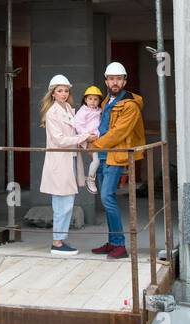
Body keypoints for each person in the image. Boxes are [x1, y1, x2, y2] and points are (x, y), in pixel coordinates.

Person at [88, 62, 144, 260]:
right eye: (111, 78)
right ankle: (112, 242)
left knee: (107, 197)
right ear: (106, 81)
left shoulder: (130, 105)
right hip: (102, 156)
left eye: (118, 78)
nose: (114, 82)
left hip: (115, 155)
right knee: (106, 199)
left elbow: (119, 132)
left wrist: (95, 145)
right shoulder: (106, 102)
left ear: (125, 81)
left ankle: (119, 244)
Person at [38, 74, 95, 257]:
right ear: (53, 93)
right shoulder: (52, 113)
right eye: (60, 91)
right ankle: (57, 242)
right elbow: (60, 140)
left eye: (66, 90)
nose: (64, 94)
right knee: (62, 203)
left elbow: (77, 132)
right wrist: (84, 137)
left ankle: (60, 239)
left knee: (67, 202)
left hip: (70, 159)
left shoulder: (70, 110)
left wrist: (86, 138)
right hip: (59, 161)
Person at [74, 85, 105, 193]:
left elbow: (100, 124)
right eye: (90, 99)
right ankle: (90, 179)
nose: (92, 101)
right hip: (87, 139)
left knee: (99, 160)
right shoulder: (83, 111)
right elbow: (78, 125)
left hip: (97, 139)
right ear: (85, 100)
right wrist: (87, 136)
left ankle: (93, 177)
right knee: (96, 160)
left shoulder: (99, 111)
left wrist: (97, 135)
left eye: (95, 99)